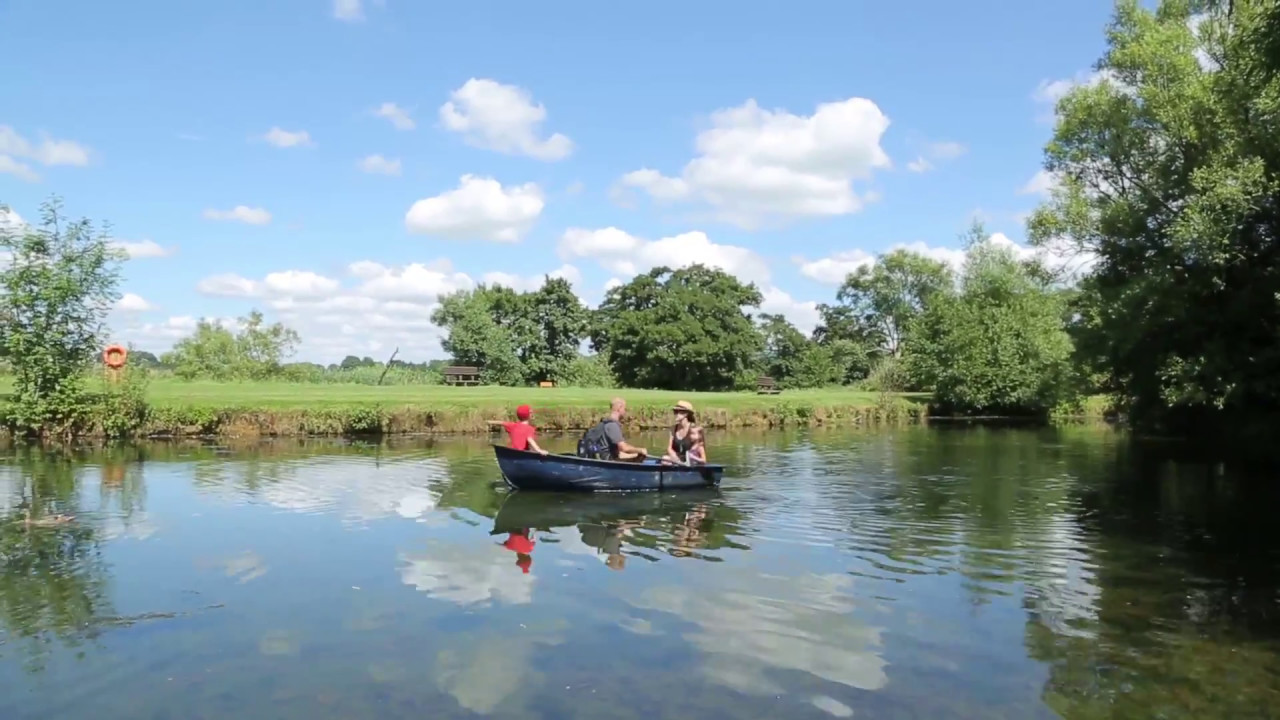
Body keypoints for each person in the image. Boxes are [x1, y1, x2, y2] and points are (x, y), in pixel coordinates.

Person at [577, 397, 648, 461]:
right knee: (639, 456)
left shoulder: (605, 422)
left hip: (604, 456)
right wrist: (640, 450)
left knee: (637, 456)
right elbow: (623, 448)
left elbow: (619, 450)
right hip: (608, 459)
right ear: (619, 408)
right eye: (624, 409)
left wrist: (636, 453)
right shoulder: (612, 426)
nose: (625, 411)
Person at [663, 400, 700, 465]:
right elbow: (669, 448)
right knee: (665, 459)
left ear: (686, 414)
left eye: (678, 412)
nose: (676, 414)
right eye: (675, 412)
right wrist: (674, 457)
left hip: (691, 458)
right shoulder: (673, 429)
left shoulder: (694, 429)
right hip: (676, 458)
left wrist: (687, 459)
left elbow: (697, 449)